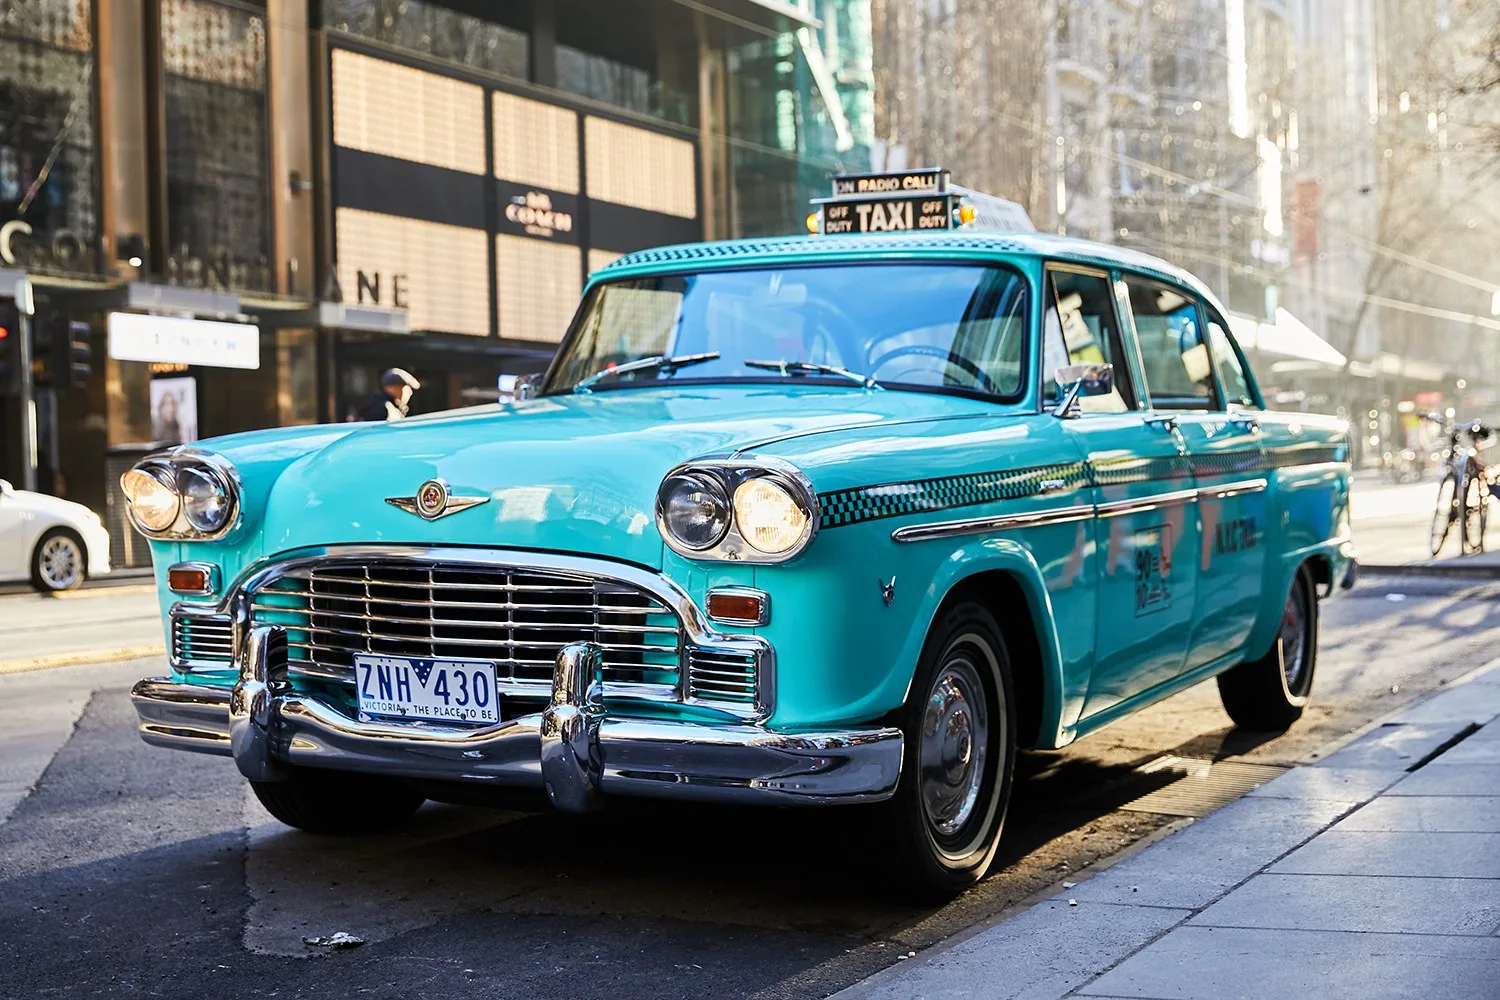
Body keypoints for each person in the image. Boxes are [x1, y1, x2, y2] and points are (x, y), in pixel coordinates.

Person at [352, 368, 421, 422]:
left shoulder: (389, 405)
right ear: (392, 388)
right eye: (404, 387)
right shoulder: (383, 408)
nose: (410, 392)